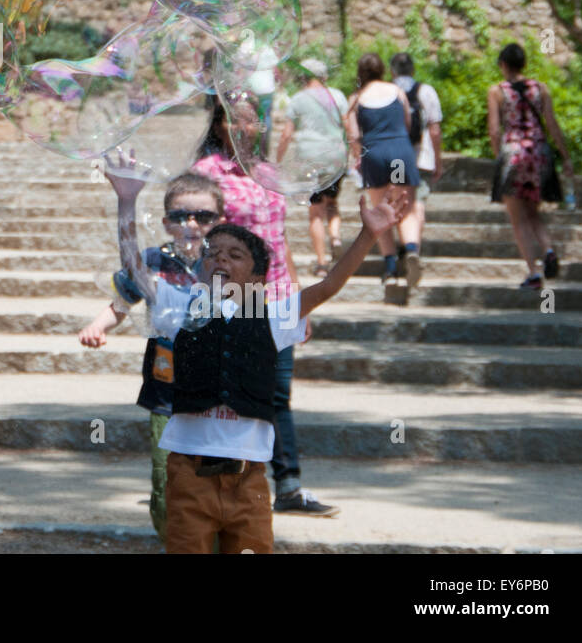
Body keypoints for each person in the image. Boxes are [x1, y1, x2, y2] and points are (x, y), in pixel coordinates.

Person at [153, 193, 407, 553]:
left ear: (258, 277)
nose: (221, 257)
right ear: (200, 267)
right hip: (188, 473)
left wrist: (368, 234)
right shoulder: (180, 307)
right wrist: (126, 198)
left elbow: (327, 286)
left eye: (235, 254)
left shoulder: (272, 316)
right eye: (213, 253)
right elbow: (133, 268)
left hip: (250, 479)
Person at [193, 96, 339, 517]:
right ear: (219, 126)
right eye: (234, 120)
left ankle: (289, 486)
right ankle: (227, 485)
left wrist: (299, 300)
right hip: (233, 299)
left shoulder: (269, 173)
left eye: (252, 119)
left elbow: (280, 240)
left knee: (277, 392)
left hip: (274, 296)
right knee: (231, 392)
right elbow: (197, 243)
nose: (244, 126)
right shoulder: (207, 175)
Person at [79, 168, 224, 544]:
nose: (191, 223)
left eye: (203, 216)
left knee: (218, 480)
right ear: (166, 222)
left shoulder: (228, 265)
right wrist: (99, 324)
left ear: (220, 222)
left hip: (220, 396)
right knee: (166, 478)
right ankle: (175, 542)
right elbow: (123, 295)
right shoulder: (155, 263)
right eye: (180, 216)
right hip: (167, 394)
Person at [488, 42, 574, 289]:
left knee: (518, 219)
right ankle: (548, 250)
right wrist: (565, 157)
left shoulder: (497, 91)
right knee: (533, 212)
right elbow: (552, 125)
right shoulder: (541, 89)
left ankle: (534, 273)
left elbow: (494, 130)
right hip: (538, 154)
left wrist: (498, 157)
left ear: (503, 65)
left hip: (513, 155)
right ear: (524, 64)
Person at [344, 53, 421, 300]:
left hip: (375, 154)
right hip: (399, 152)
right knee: (404, 208)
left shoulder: (355, 100)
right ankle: (410, 250)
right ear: (382, 70)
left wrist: (358, 157)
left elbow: (354, 136)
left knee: (381, 209)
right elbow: (408, 122)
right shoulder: (396, 91)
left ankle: (390, 265)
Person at [279, 59, 348, 276]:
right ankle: (335, 237)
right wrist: (356, 152)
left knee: (315, 212)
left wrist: (278, 159)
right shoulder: (337, 96)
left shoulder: (298, 99)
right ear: (324, 77)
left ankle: (321, 264)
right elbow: (348, 126)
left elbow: (287, 134)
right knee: (332, 202)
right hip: (336, 155)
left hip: (309, 157)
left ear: (303, 77)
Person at [389, 53, 443, 259]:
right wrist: (438, 160)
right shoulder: (426, 91)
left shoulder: (388, 91)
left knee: (399, 200)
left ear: (392, 71)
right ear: (413, 70)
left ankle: (406, 244)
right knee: (418, 203)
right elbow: (435, 129)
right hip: (423, 157)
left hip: (396, 158)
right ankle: (414, 248)